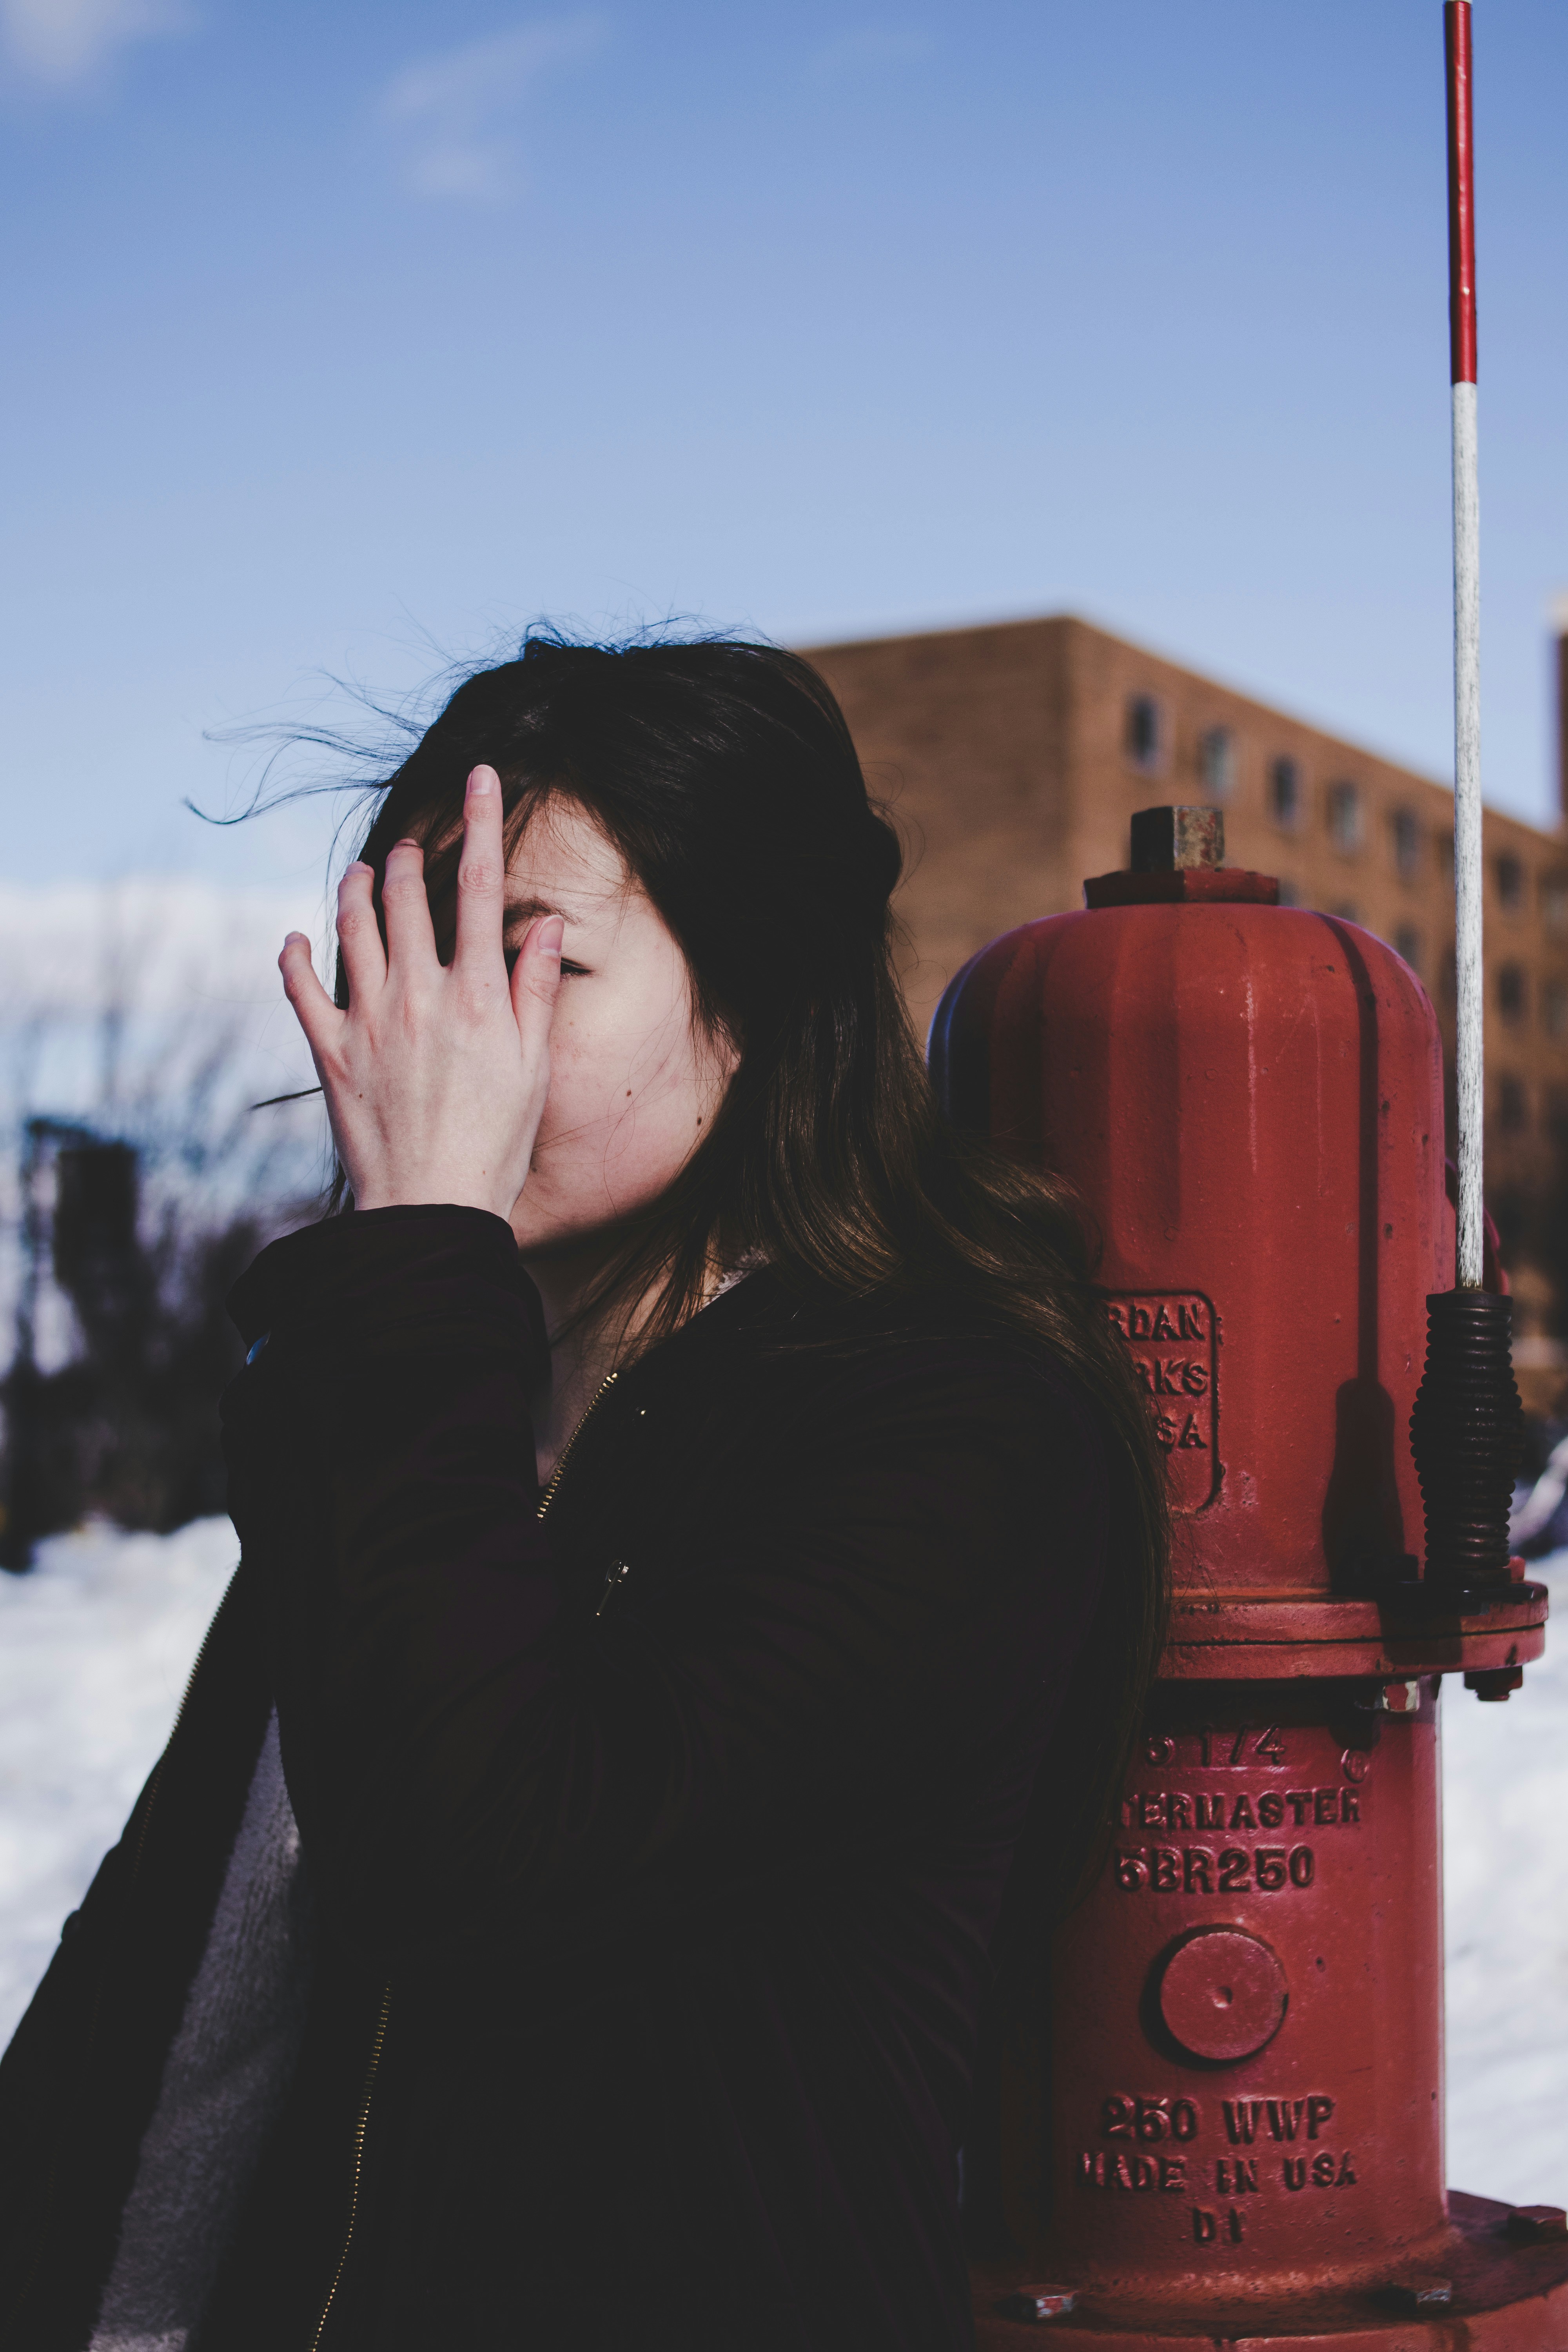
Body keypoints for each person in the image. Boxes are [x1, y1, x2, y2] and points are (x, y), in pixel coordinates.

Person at [0, 635, 1168, 2351]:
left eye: (536, 961)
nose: (448, 1035)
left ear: (758, 1001)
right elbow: (170, 1966)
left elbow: (489, 1873)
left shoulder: (953, 1431)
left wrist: (412, 1278)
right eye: (424, 950)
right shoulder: (402, 1397)